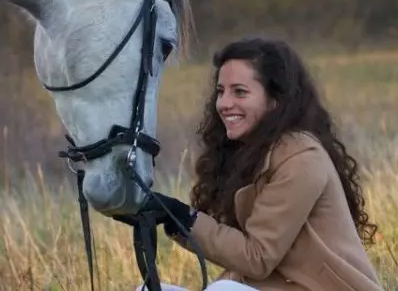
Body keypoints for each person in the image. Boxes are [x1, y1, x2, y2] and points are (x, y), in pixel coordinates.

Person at [137, 37, 383, 291]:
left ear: (276, 100)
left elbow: (257, 257)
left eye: (239, 92)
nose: (224, 103)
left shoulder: (301, 156)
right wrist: (154, 211)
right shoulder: (249, 153)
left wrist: (182, 217)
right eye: (221, 91)